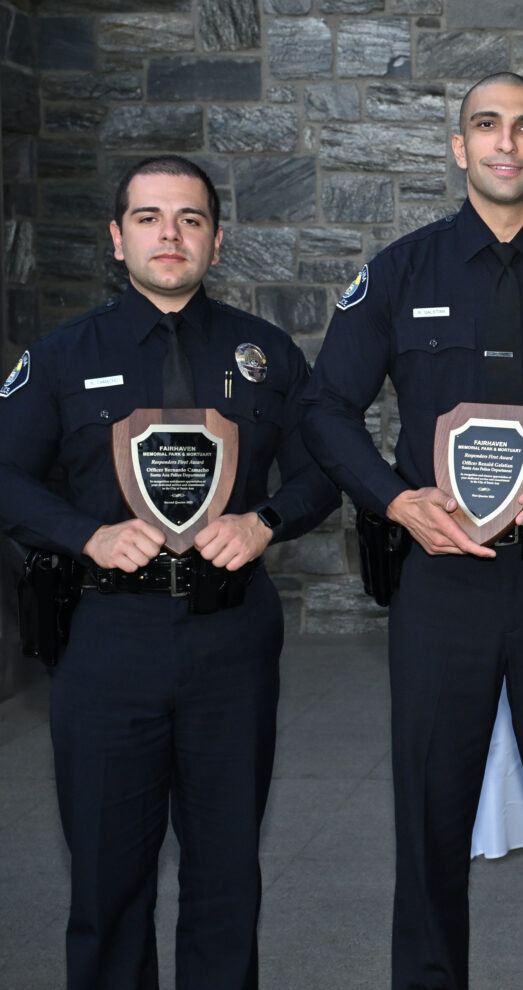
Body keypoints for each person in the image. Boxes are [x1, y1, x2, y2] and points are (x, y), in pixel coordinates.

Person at [300, 72, 523, 989]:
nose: (508, 143)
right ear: (459, 147)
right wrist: (394, 499)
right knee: (430, 818)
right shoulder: (396, 274)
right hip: (444, 581)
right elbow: (328, 408)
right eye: (488, 127)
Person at [0, 154, 339, 988]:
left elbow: (325, 470)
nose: (170, 234)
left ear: (217, 242)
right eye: (149, 218)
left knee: (227, 875)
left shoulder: (266, 356)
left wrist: (265, 522)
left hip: (231, 637)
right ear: (118, 239)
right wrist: (86, 537)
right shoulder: (63, 357)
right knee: (109, 880)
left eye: (189, 219)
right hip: (109, 638)